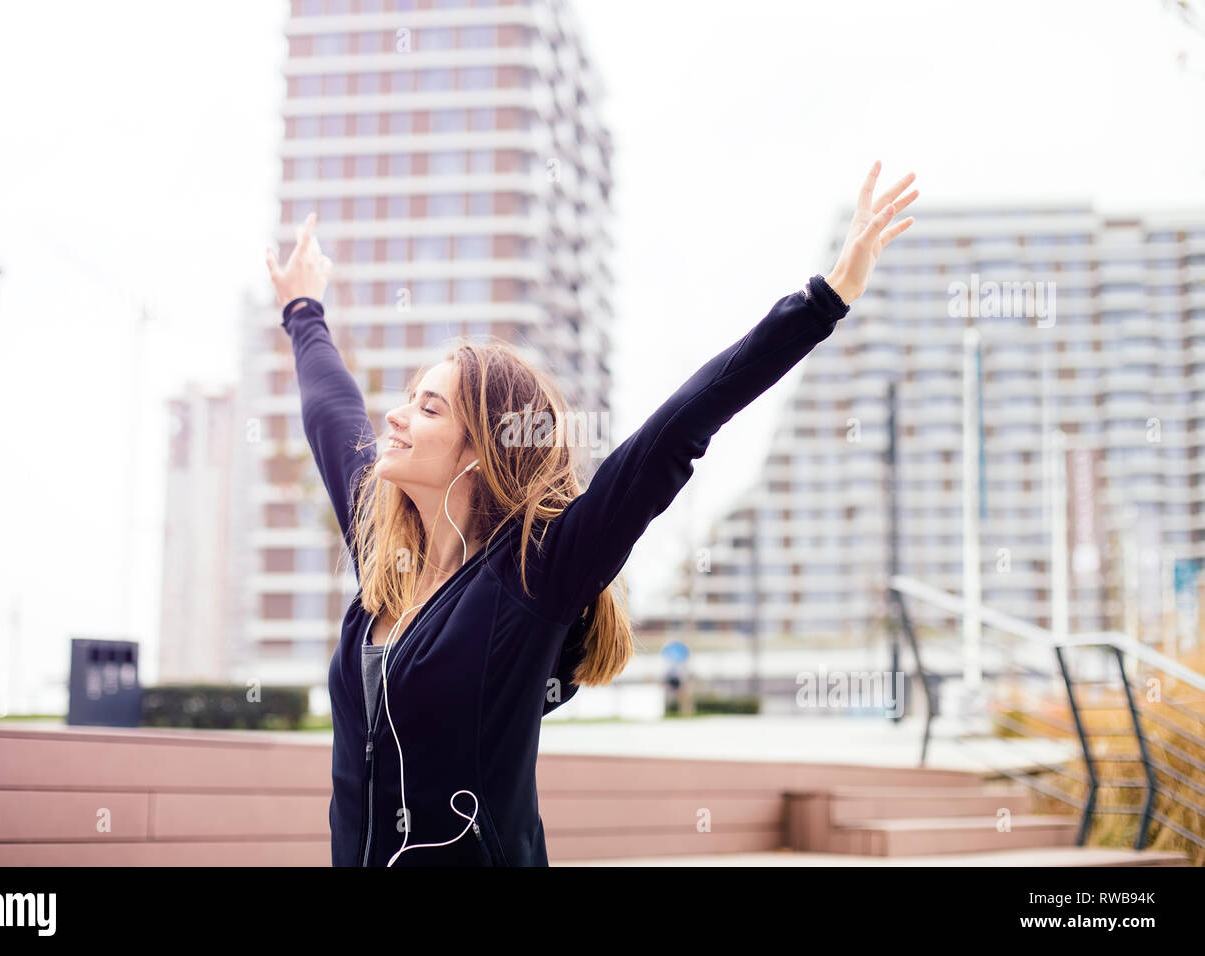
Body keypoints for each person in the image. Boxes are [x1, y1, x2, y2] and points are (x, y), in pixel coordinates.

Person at [265, 162, 917, 866]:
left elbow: (675, 431)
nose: (393, 418)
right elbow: (331, 411)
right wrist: (303, 310)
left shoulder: (533, 576)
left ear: (480, 450)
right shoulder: (383, 561)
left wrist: (822, 302)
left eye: (428, 407)